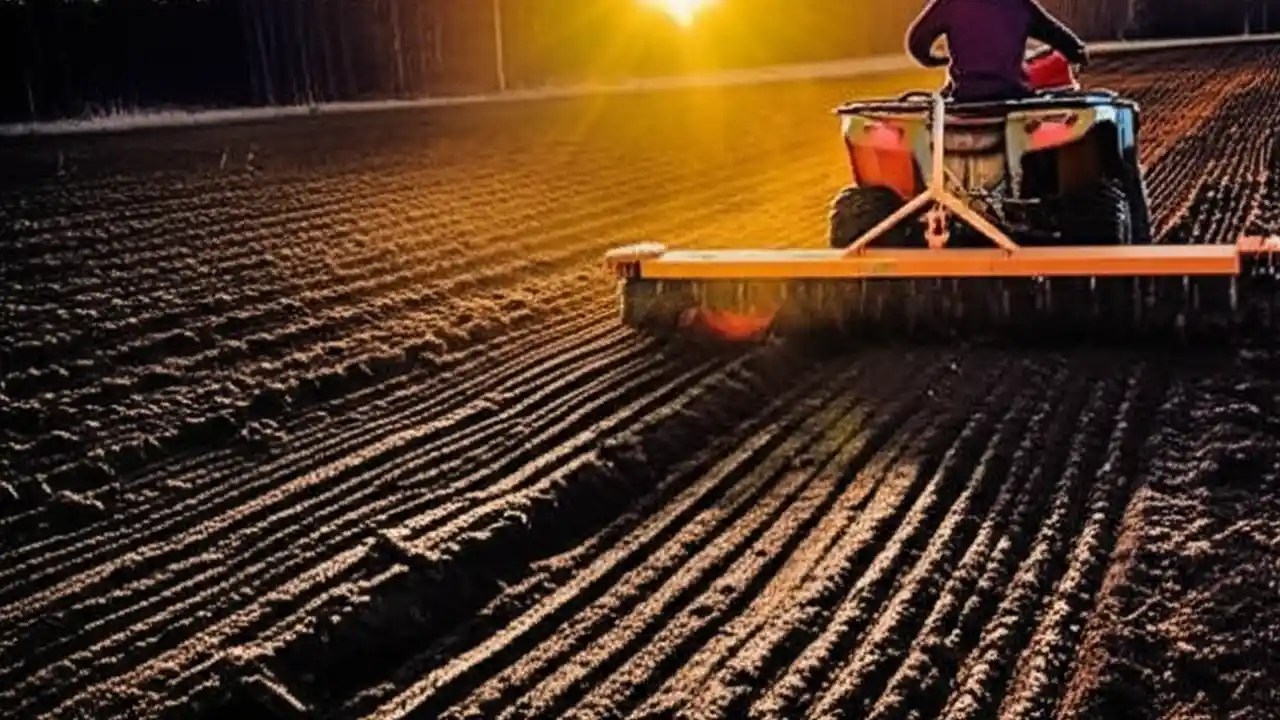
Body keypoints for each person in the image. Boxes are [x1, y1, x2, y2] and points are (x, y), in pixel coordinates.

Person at [906, 0, 1090, 102]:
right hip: (1012, 96)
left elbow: (916, 44)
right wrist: (1078, 55)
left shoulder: (950, 4)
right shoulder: (1020, 5)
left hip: (966, 98)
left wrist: (937, 61)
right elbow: (1072, 46)